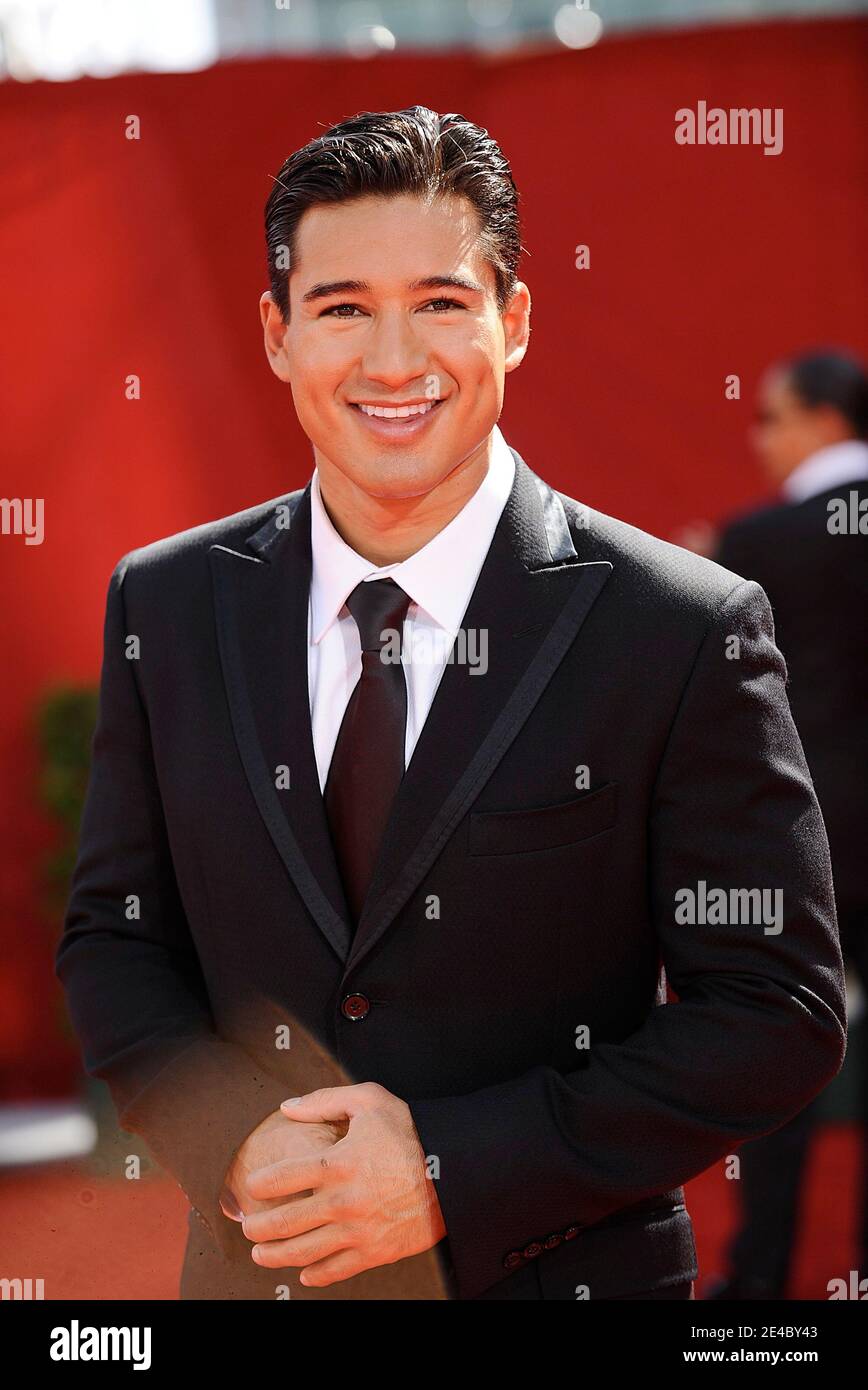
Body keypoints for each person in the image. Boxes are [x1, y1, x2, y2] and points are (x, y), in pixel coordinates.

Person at [56, 107, 847, 1301]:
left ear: (512, 321)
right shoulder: (164, 605)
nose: (391, 361)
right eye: (341, 309)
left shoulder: (680, 626)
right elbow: (116, 938)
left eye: (438, 301)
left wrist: (447, 1170)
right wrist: (232, 1142)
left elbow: (775, 1010)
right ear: (276, 334)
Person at [709, 350, 868, 1299]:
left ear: (820, 420)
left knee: (783, 1054)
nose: (757, 437)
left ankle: (759, 1287)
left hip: (807, 844)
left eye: (770, 417)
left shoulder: (760, 542)